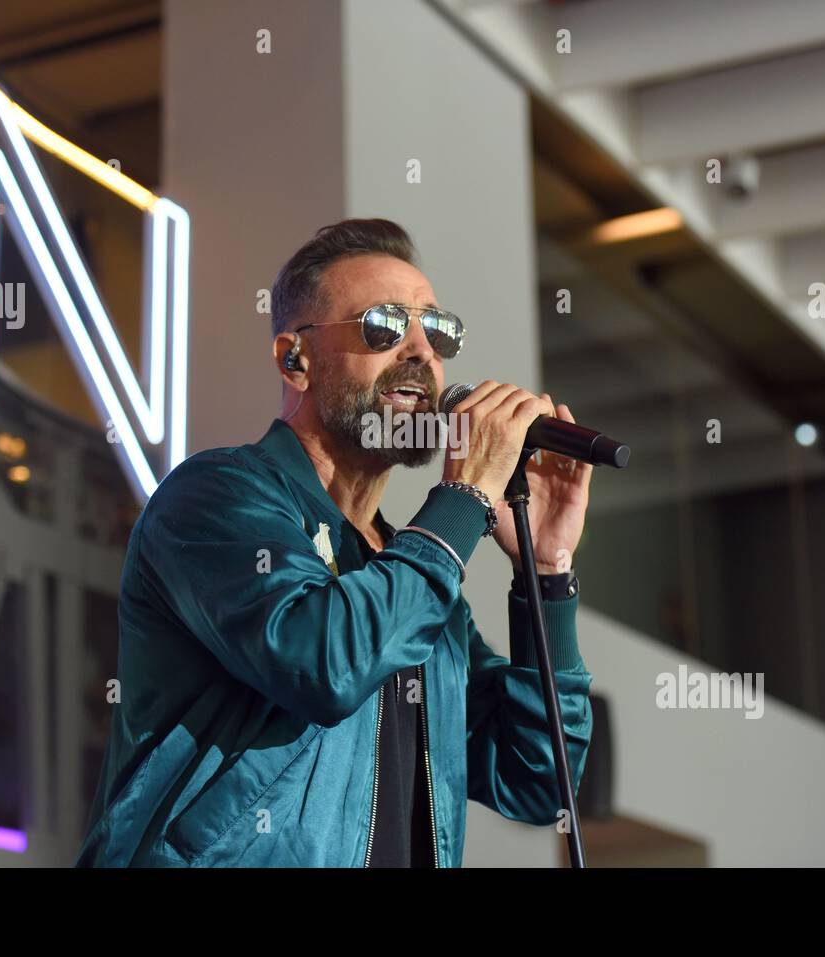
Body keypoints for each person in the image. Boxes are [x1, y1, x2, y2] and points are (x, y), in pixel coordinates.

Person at [77, 219, 594, 867]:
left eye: (437, 331)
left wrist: (547, 575)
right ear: (295, 359)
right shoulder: (216, 496)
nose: (421, 352)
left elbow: (538, 781)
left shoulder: (408, 571)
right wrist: (462, 501)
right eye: (383, 325)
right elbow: (324, 662)